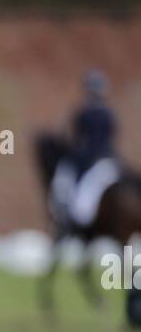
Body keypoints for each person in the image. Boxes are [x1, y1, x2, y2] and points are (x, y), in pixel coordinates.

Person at [49, 70, 120, 234]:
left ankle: (65, 213)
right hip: (108, 156)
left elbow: (75, 136)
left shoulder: (83, 111)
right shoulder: (109, 113)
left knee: (64, 175)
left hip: (86, 158)